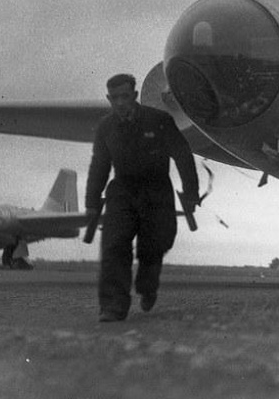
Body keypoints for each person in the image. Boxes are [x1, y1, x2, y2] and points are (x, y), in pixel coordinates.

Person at [85, 73, 199, 322]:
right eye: (115, 98)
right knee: (114, 244)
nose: (121, 103)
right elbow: (99, 166)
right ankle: (113, 306)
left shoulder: (159, 120)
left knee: (154, 245)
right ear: (109, 99)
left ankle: (148, 286)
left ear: (135, 96)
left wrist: (191, 192)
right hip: (122, 191)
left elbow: (182, 154)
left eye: (125, 96)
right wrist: (92, 202)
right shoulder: (106, 127)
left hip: (156, 190)